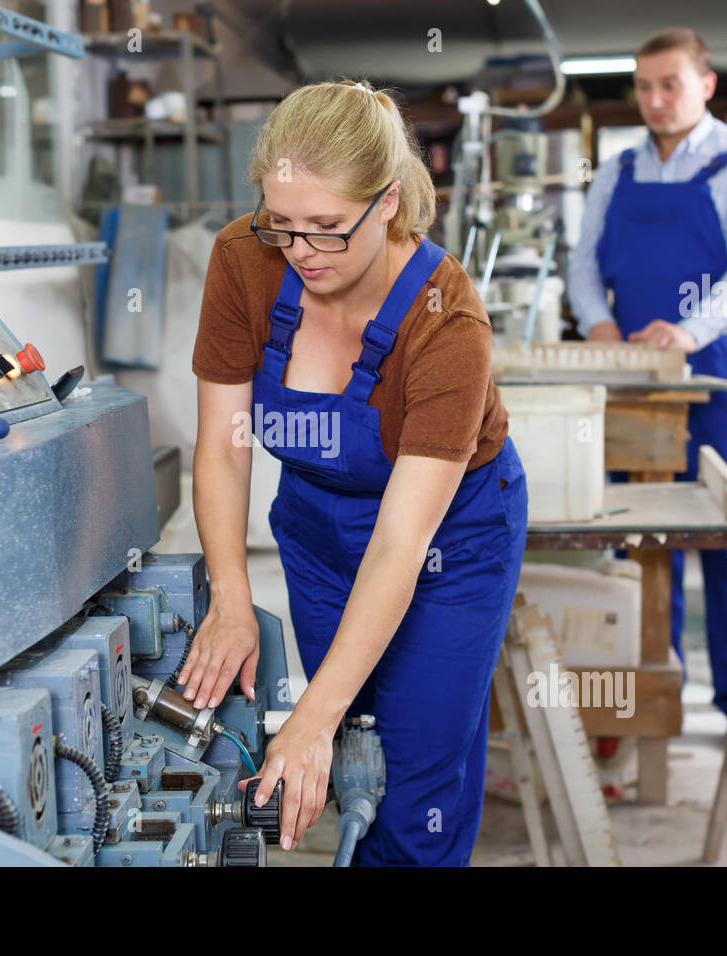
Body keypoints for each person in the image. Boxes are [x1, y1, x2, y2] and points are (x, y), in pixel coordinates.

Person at [185, 79, 528, 866]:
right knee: (353, 759)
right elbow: (226, 444)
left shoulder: (448, 324)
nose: (301, 251)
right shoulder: (244, 260)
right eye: (282, 225)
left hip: (448, 542)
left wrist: (311, 713)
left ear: (390, 201)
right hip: (317, 529)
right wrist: (232, 598)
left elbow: (403, 544)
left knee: (413, 785)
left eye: (329, 228)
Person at [569, 28, 727, 755]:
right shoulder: (617, 170)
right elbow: (580, 265)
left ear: (706, 85)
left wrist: (688, 330)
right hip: (633, 386)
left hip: (718, 377)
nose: (655, 101)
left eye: (670, 85)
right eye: (644, 86)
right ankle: (643, 702)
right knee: (632, 540)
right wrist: (598, 321)